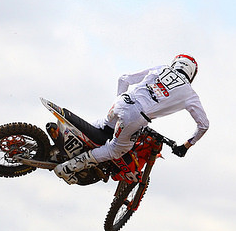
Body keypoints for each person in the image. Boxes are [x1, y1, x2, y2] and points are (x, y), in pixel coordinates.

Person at [54, 54, 209, 184]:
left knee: (103, 127)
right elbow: (203, 125)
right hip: (136, 115)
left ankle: (65, 144)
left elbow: (124, 79)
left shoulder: (161, 68)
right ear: (192, 73)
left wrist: (120, 104)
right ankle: (68, 168)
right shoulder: (189, 94)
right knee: (116, 149)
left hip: (123, 100)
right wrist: (186, 145)